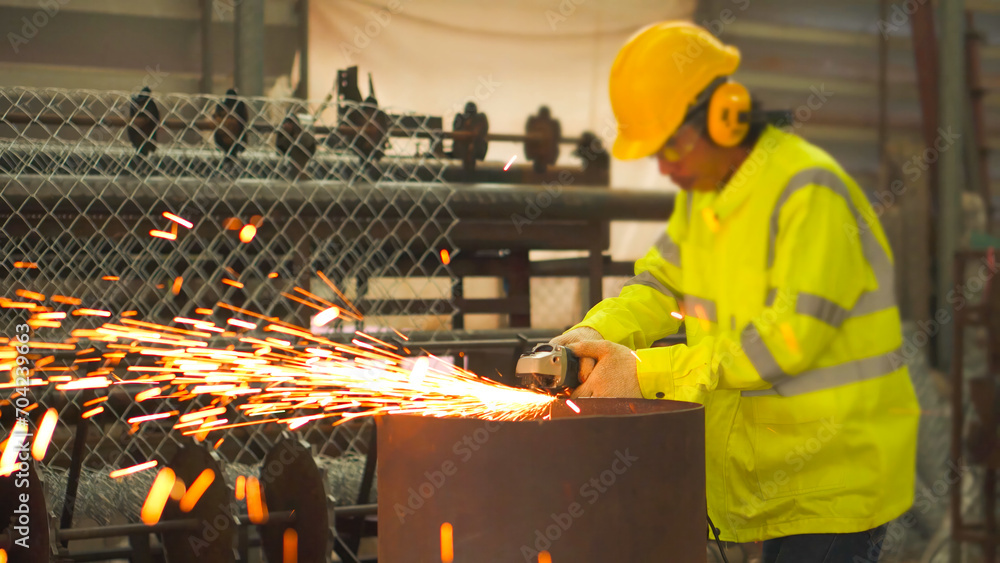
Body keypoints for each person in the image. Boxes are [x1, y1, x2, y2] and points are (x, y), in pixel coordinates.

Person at [551, 21, 919, 563]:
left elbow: (784, 343)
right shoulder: (706, 197)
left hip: (835, 483)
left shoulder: (809, 194)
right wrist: (596, 331)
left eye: (671, 143)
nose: (666, 166)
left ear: (724, 115)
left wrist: (642, 372)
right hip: (771, 478)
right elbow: (658, 284)